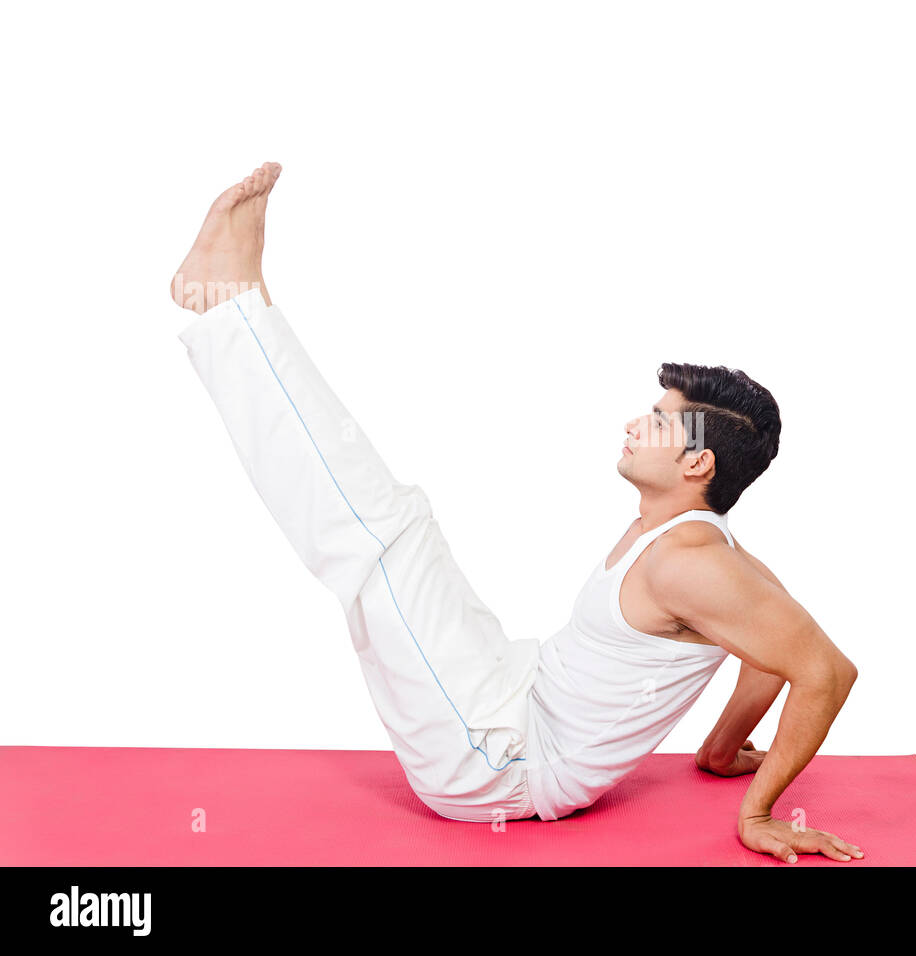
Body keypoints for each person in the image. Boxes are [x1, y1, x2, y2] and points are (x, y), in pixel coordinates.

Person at [170, 162, 863, 864]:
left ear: (697, 464)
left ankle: (227, 307)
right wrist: (719, 751)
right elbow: (777, 651)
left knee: (379, 539)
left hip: (496, 760)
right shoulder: (713, 552)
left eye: (657, 422)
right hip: (511, 690)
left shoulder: (696, 567)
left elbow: (823, 669)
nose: (632, 424)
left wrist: (761, 812)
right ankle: (238, 308)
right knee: (402, 525)